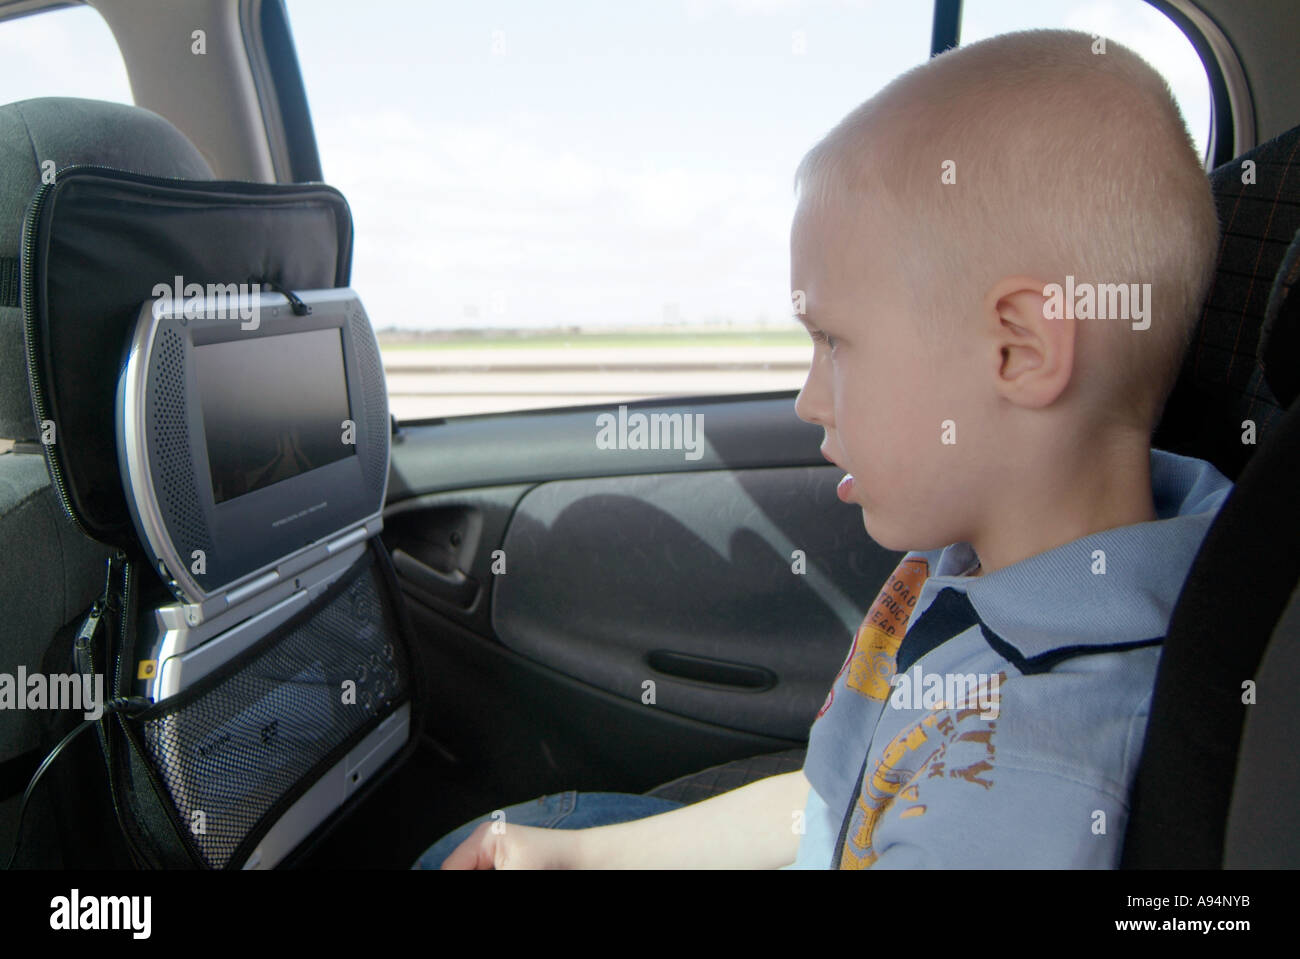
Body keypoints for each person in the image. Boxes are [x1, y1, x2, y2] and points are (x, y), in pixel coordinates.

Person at [412, 27, 1231, 870]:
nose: (808, 398)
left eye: (835, 342)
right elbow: (839, 801)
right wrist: (577, 859)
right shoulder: (971, 561)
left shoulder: (1026, 776)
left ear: (1016, 350)